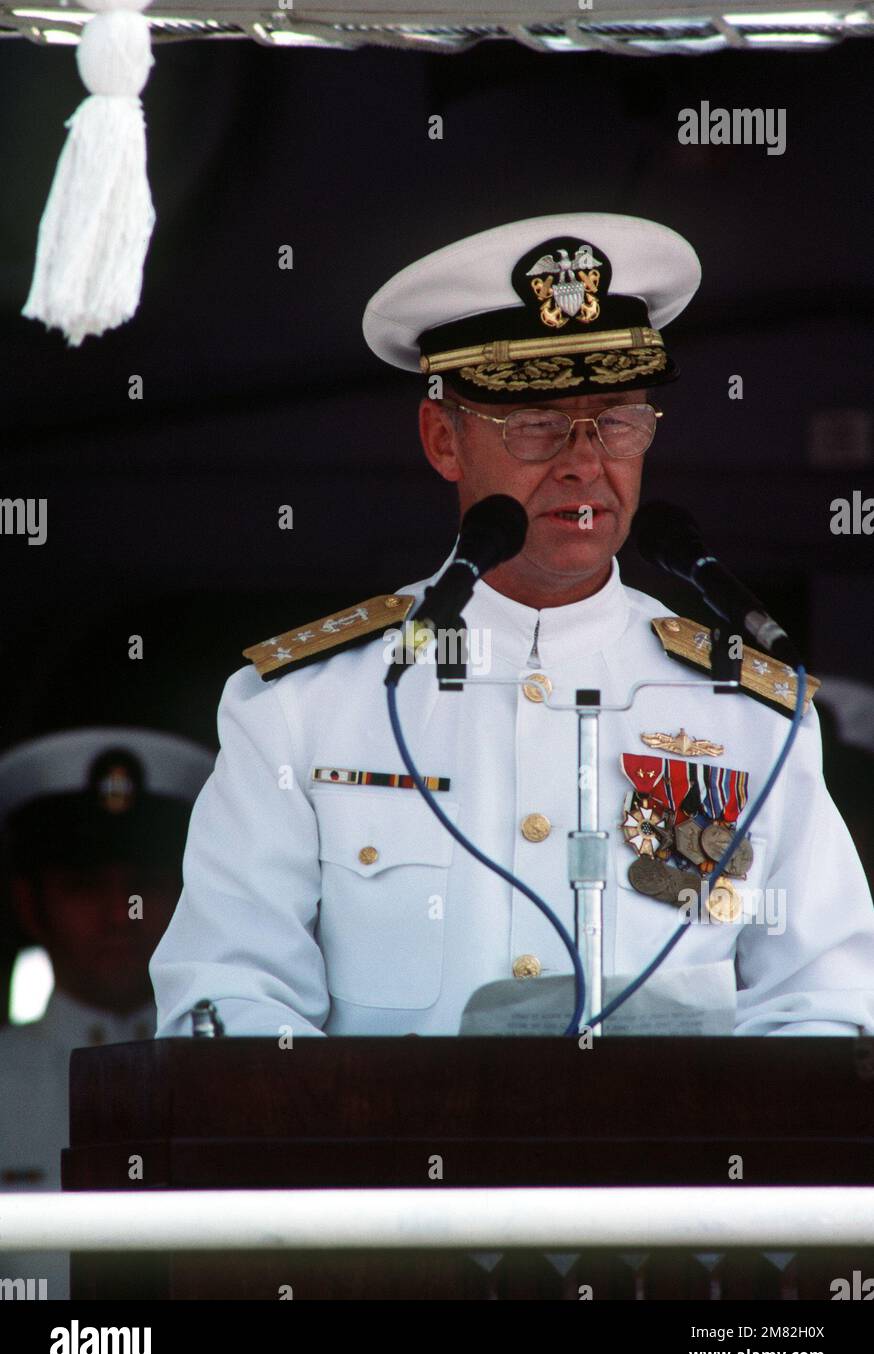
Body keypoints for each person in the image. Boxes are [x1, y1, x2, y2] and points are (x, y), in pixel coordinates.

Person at [150, 213, 874, 1042]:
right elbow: (229, 992)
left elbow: (826, 1005)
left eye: (618, 421)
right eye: (535, 424)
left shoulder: (751, 715)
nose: (583, 460)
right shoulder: (300, 709)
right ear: (443, 440)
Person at [0, 727, 213, 1298]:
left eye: (145, 883)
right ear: (28, 903)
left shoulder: (236, 1078)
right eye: (84, 885)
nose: (122, 913)